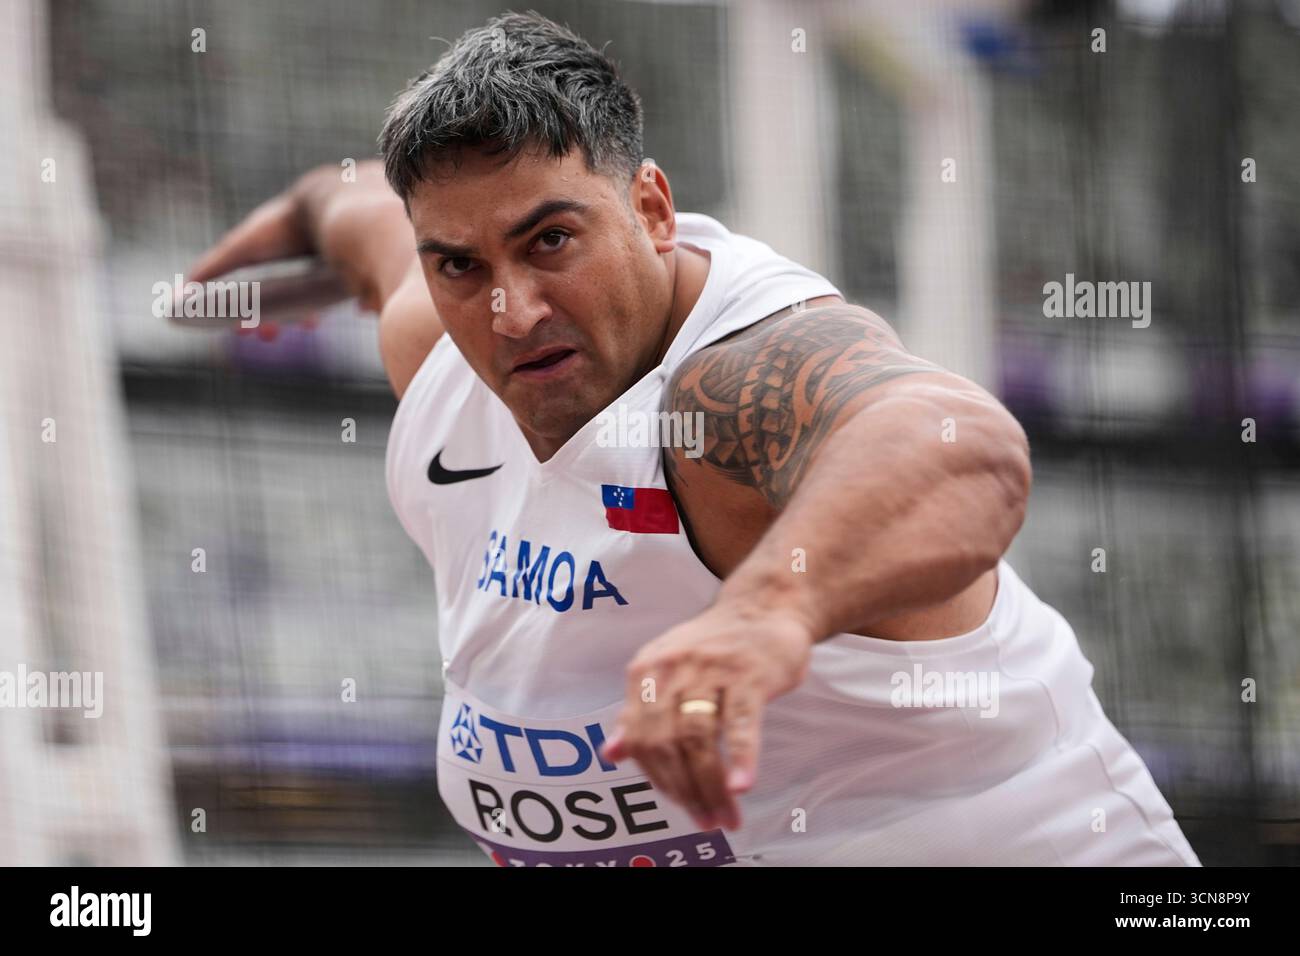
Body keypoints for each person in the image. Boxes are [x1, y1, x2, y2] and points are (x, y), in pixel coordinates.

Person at [187, 11, 1200, 867]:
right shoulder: (444, 346)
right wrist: (270, 244)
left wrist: (766, 611)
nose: (515, 309)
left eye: (552, 239)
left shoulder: (731, 382)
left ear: (652, 208)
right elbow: (351, 208)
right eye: (458, 262)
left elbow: (959, 441)